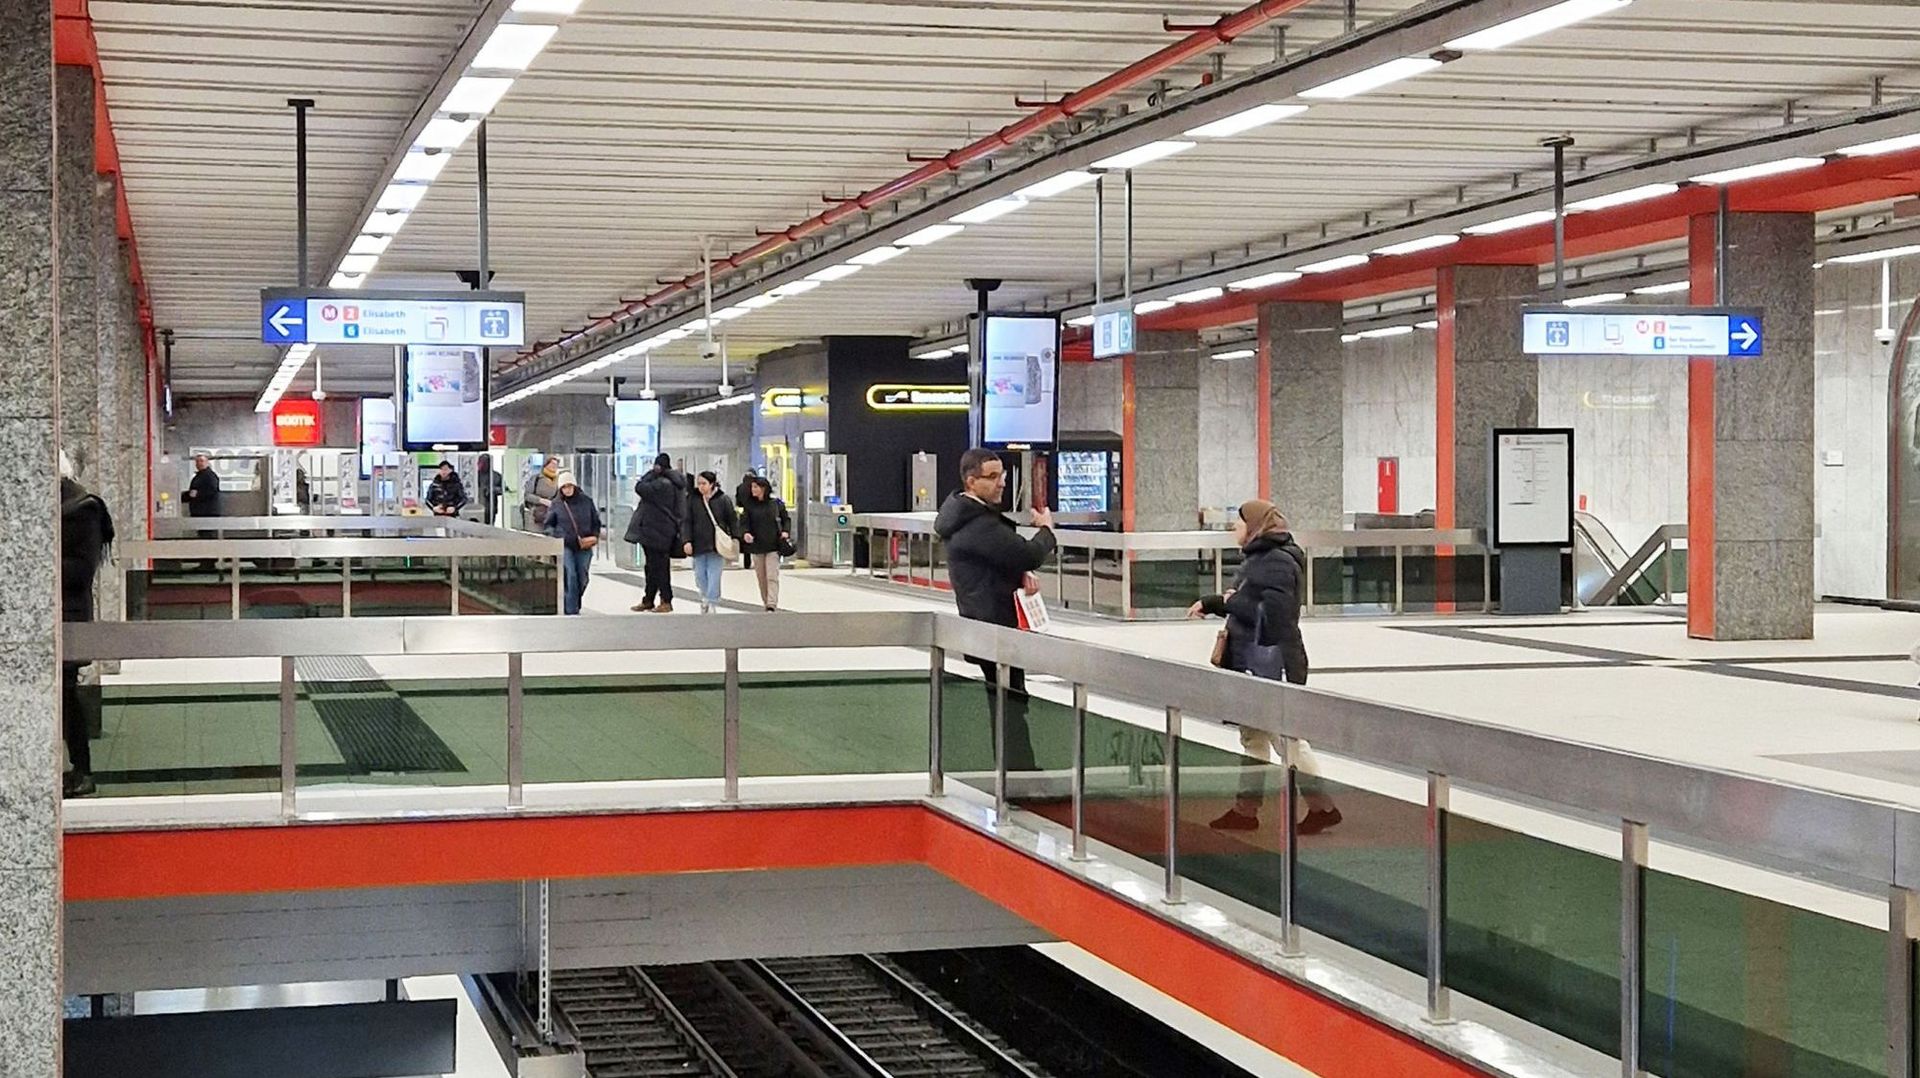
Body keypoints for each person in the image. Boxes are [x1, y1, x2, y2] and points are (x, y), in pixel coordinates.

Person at [1189, 499, 1341, 836]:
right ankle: (1246, 810)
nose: (1233, 527)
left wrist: (1227, 602)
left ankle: (1323, 806)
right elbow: (1250, 604)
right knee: (1253, 736)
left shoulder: (1275, 562)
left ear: (1255, 525)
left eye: (1238, 522)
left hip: (1272, 662)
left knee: (1286, 740)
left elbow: (1273, 614)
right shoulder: (1258, 559)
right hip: (1252, 660)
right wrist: (1220, 602)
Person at [934, 448, 1054, 772]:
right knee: (1008, 703)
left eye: (1001, 475)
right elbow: (1028, 553)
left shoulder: (965, 518)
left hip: (986, 624)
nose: (1001, 483)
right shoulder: (976, 525)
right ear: (971, 481)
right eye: (993, 477)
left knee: (1007, 699)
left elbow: (996, 562)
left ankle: (1018, 771)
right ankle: (1017, 775)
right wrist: (1046, 530)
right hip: (994, 627)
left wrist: (1018, 575)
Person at [61, 472, 115, 797]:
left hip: (68, 618)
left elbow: (81, 571)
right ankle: (77, 769)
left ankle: (83, 771)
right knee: (64, 699)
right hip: (60, 616)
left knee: (68, 698)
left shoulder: (84, 510)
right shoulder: (64, 508)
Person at [626, 453, 686, 613]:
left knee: (659, 567)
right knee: (653, 567)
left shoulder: (662, 484)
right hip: (661, 530)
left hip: (657, 530)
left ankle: (665, 600)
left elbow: (640, 487)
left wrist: (651, 474)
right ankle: (649, 599)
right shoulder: (674, 482)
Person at [541, 470, 602, 615]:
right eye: (564, 487)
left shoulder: (586, 501)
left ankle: (575, 602)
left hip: (584, 545)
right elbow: (548, 525)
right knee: (571, 575)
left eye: (570, 486)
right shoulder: (557, 504)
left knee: (583, 577)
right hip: (565, 545)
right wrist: (557, 536)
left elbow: (595, 521)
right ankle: (571, 610)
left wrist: (594, 535)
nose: (567, 489)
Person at [683, 471, 737, 614]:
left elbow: (732, 520)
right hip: (698, 543)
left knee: (714, 574)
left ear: (712, 484)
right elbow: (687, 521)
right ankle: (705, 596)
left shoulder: (723, 499)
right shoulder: (693, 499)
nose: (701, 486)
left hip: (716, 544)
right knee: (700, 574)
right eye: (699, 483)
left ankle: (711, 600)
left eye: (704, 484)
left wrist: (735, 538)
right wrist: (687, 540)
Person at [739, 476, 791, 611]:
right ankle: (765, 600)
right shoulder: (749, 506)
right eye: (752, 487)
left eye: (756, 487)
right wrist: (745, 533)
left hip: (773, 545)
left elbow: (786, 519)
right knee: (761, 577)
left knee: (772, 576)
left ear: (763, 488)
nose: (753, 490)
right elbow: (744, 523)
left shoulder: (776, 504)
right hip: (757, 546)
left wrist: (785, 531)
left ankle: (771, 603)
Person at [523, 456, 562, 531]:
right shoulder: (536, 478)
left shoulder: (558, 480)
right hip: (535, 515)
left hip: (551, 515)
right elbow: (527, 495)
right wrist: (541, 500)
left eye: (556, 465)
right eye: (552, 464)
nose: (554, 466)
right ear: (546, 465)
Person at [734, 469, 758, 569]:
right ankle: (758, 560)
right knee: (757, 536)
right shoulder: (755, 487)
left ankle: (746, 562)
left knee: (746, 537)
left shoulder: (740, 487)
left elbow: (738, 502)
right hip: (756, 514)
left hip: (744, 514)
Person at [475, 455, 503, 525]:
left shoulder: (496, 476)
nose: (481, 464)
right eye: (480, 462)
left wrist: (492, 490)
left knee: (490, 528)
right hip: (476, 507)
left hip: (491, 507)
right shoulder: (475, 475)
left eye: (484, 462)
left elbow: (503, 490)